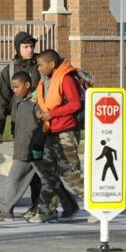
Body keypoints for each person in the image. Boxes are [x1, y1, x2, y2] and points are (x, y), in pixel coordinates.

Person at [0, 73, 63, 224]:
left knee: (47, 180)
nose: (14, 90)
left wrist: (39, 145)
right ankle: (5, 210)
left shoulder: (37, 101)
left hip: (35, 149)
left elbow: (42, 125)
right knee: (15, 180)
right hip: (22, 149)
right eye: (12, 87)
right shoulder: (19, 100)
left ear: (27, 85)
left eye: (17, 87)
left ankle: (56, 208)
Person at [0, 31, 43, 212]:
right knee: (25, 165)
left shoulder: (41, 65)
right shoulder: (10, 70)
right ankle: (15, 205)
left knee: (38, 167)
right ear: (18, 48)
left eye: (32, 46)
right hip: (19, 124)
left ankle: (37, 203)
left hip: (39, 124)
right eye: (26, 47)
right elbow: (1, 98)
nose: (30, 50)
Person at [33, 49, 87, 204]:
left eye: (41, 65)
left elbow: (75, 104)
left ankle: (93, 202)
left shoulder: (66, 78)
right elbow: (41, 101)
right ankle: (48, 209)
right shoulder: (46, 80)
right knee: (48, 172)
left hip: (66, 132)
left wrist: (52, 114)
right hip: (50, 130)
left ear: (51, 64)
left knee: (70, 172)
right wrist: (39, 111)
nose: (39, 68)